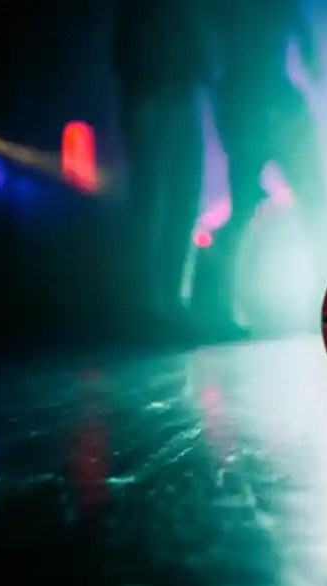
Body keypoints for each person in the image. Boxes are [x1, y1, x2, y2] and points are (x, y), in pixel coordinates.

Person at [199, 0, 327, 340]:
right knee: (294, 205)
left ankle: (218, 303)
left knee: (253, 206)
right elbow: (311, 55)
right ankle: (218, 303)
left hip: (253, 99)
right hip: (260, 100)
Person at [111, 0, 214, 336]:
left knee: (171, 200)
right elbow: (125, 51)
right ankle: (154, 304)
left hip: (164, 97)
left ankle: (162, 303)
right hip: (155, 98)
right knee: (158, 202)